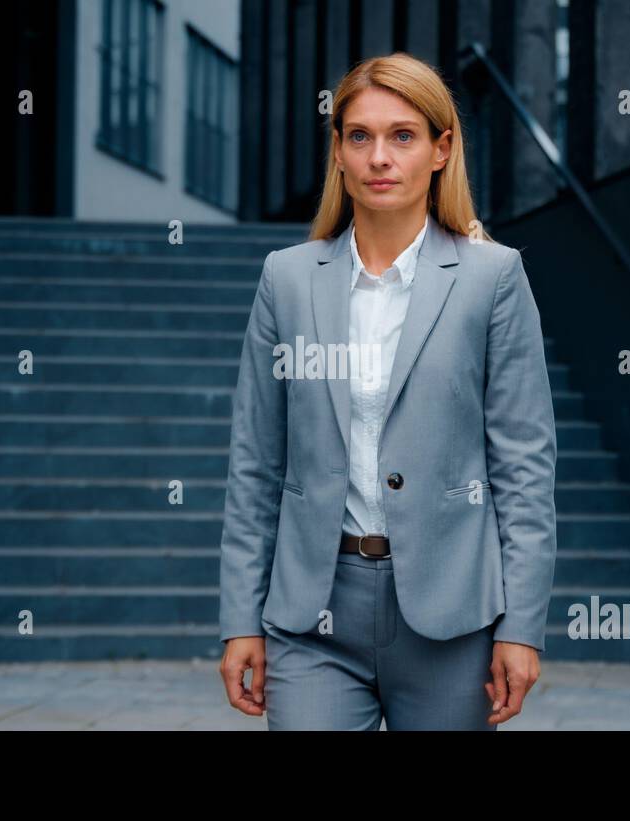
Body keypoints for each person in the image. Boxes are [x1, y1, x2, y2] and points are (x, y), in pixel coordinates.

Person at [217, 52, 557, 730]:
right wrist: (238, 619)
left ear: (441, 148)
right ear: (338, 151)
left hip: (450, 617)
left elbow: (524, 468)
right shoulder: (286, 280)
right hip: (312, 612)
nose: (380, 156)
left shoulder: (492, 278)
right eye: (360, 135)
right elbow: (255, 464)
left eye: (403, 135)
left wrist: (522, 626)